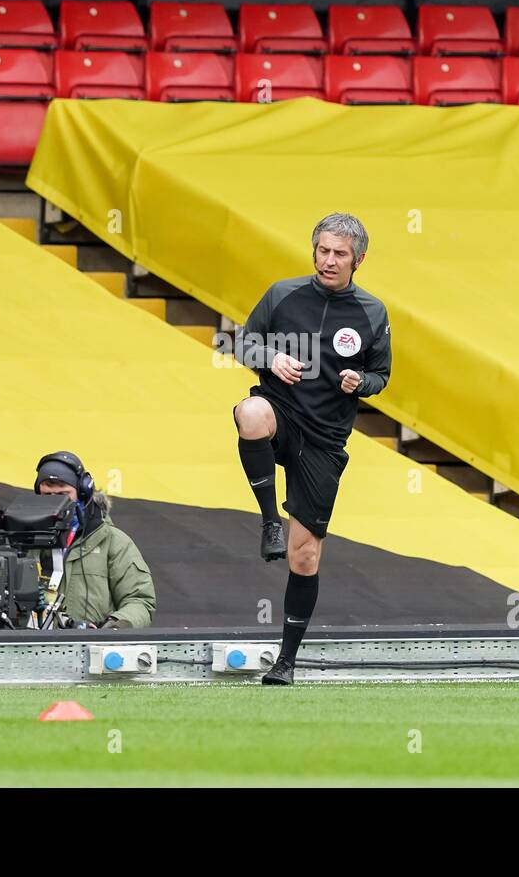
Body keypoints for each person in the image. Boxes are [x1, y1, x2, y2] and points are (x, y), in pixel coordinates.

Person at [232, 212, 391, 686]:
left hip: (325, 437)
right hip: (281, 411)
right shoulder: (283, 294)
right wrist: (270, 357)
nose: (329, 260)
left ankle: (286, 661)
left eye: (340, 253)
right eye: (323, 250)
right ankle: (268, 522)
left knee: (305, 558)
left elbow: (382, 375)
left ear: (358, 260)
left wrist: (360, 381)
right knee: (249, 413)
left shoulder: (372, 312)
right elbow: (241, 343)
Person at [31, 451, 155, 629]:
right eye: (47, 495)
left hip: (91, 650)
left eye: (63, 494)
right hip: (29, 650)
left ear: (83, 492)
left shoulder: (114, 542)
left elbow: (140, 601)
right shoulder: (24, 541)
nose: (55, 503)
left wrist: (112, 627)